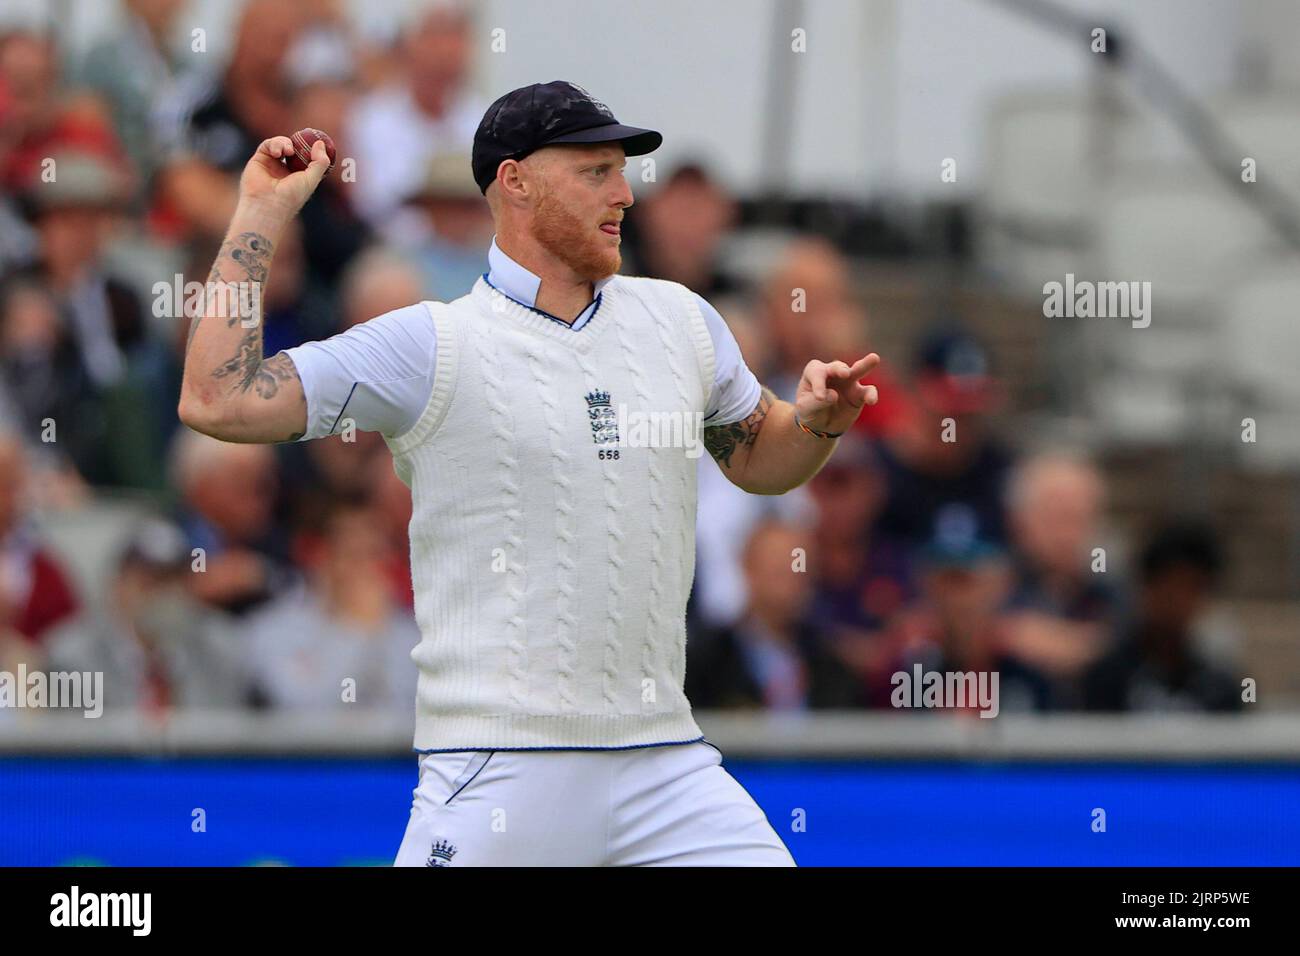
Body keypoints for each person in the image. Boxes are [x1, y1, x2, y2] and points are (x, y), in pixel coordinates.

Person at [178, 80, 882, 867]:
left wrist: (817, 420)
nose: (623, 194)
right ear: (514, 182)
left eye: (622, 171)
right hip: (498, 766)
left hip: (668, 765)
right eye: (595, 172)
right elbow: (218, 397)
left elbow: (759, 458)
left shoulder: (683, 319)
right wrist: (261, 212)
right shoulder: (431, 344)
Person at [685, 519, 865, 711]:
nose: (791, 581)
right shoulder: (704, 663)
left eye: (801, 569)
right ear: (748, 568)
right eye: (778, 570)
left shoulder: (831, 665)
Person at [1083, 520, 1242, 713]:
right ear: (1146, 587)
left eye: (1193, 589)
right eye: (1170, 587)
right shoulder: (1107, 679)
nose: (1179, 601)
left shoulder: (1221, 687)